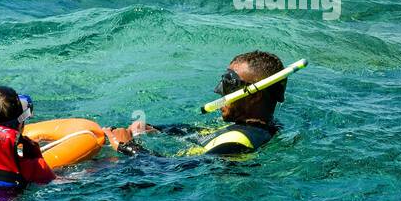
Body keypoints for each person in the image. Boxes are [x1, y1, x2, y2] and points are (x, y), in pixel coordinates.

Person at [104, 50, 290, 157]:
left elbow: (175, 173)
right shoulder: (259, 127)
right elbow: (202, 135)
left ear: (256, 96)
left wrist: (126, 146)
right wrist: (157, 129)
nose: (219, 90)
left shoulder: (238, 142)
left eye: (229, 83)